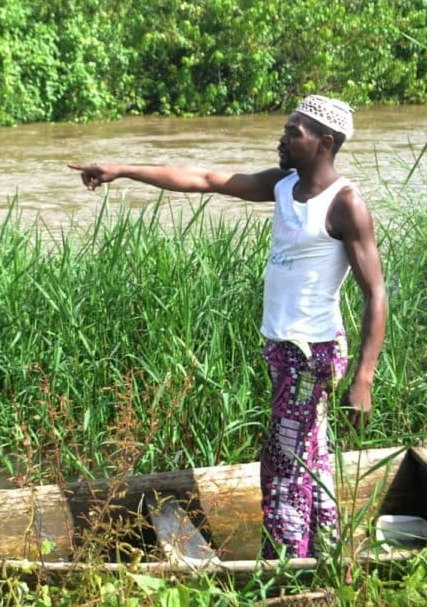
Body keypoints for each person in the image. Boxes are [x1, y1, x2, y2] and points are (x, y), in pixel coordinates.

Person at [68, 95, 386, 559]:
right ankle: (326, 554)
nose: (283, 135)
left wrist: (364, 377)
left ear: (325, 143)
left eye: (294, 130)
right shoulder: (285, 184)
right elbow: (205, 179)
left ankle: (286, 567)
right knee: (309, 456)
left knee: (282, 465)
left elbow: (375, 292)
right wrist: (123, 168)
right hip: (286, 349)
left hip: (309, 354)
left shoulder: (345, 204)